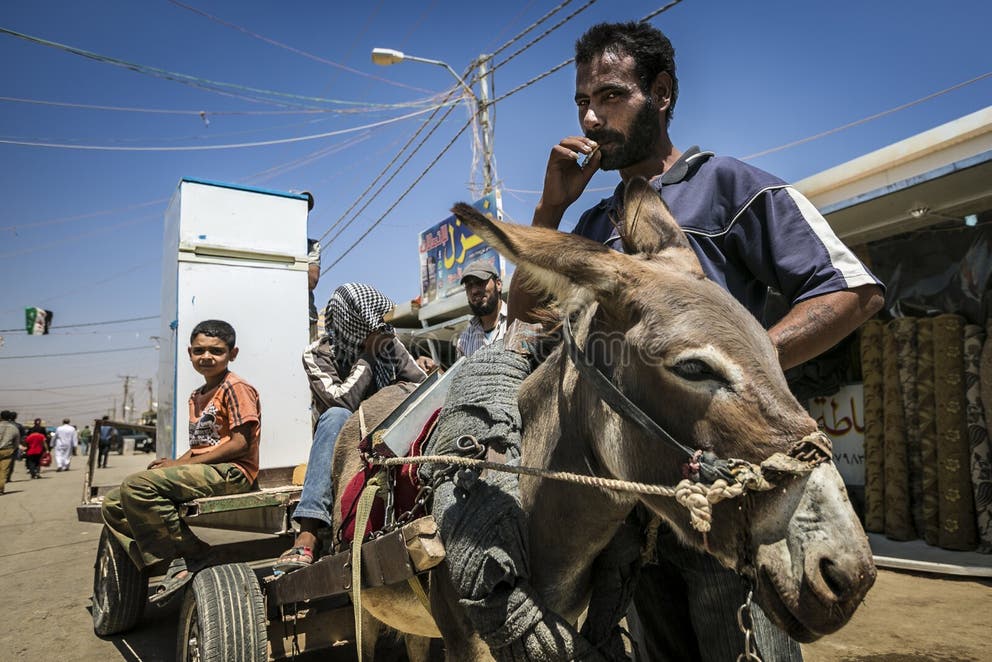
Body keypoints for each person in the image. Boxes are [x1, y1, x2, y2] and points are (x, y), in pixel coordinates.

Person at [508, 21, 885, 662]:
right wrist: (550, 210)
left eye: (609, 96)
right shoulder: (599, 225)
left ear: (661, 92)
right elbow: (523, 315)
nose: (591, 118)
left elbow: (850, 289)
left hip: (738, 494)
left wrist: (736, 370)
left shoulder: (732, 187)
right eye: (581, 103)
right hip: (635, 521)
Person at [101, 319, 261, 605]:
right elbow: (200, 447)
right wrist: (175, 463)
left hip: (232, 473)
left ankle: (192, 555)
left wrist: (182, 468)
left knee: (137, 486)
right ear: (189, 353)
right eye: (199, 351)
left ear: (232, 354)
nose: (207, 357)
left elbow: (240, 444)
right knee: (113, 503)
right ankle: (167, 556)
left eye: (217, 351)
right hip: (207, 470)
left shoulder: (235, 388)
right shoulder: (197, 395)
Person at [276, 283, 431, 571]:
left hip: (387, 430)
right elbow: (342, 400)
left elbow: (422, 384)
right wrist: (369, 356)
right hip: (340, 440)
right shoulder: (316, 353)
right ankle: (308, 531)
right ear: (353, 321)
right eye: (372, 323)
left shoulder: (388, 342)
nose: (381, 329)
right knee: (334, 416)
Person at [455, 259, 508, 359]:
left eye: (480, 282)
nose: (474, 291)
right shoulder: (464, 341)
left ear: (498, 284)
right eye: (469, 286)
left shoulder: (516, 322)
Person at [0, 410, 20, 494]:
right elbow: (16, 442)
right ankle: (0, 488)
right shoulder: (14, 428)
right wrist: (13, 449)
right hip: (7, 451)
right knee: (3, 470)